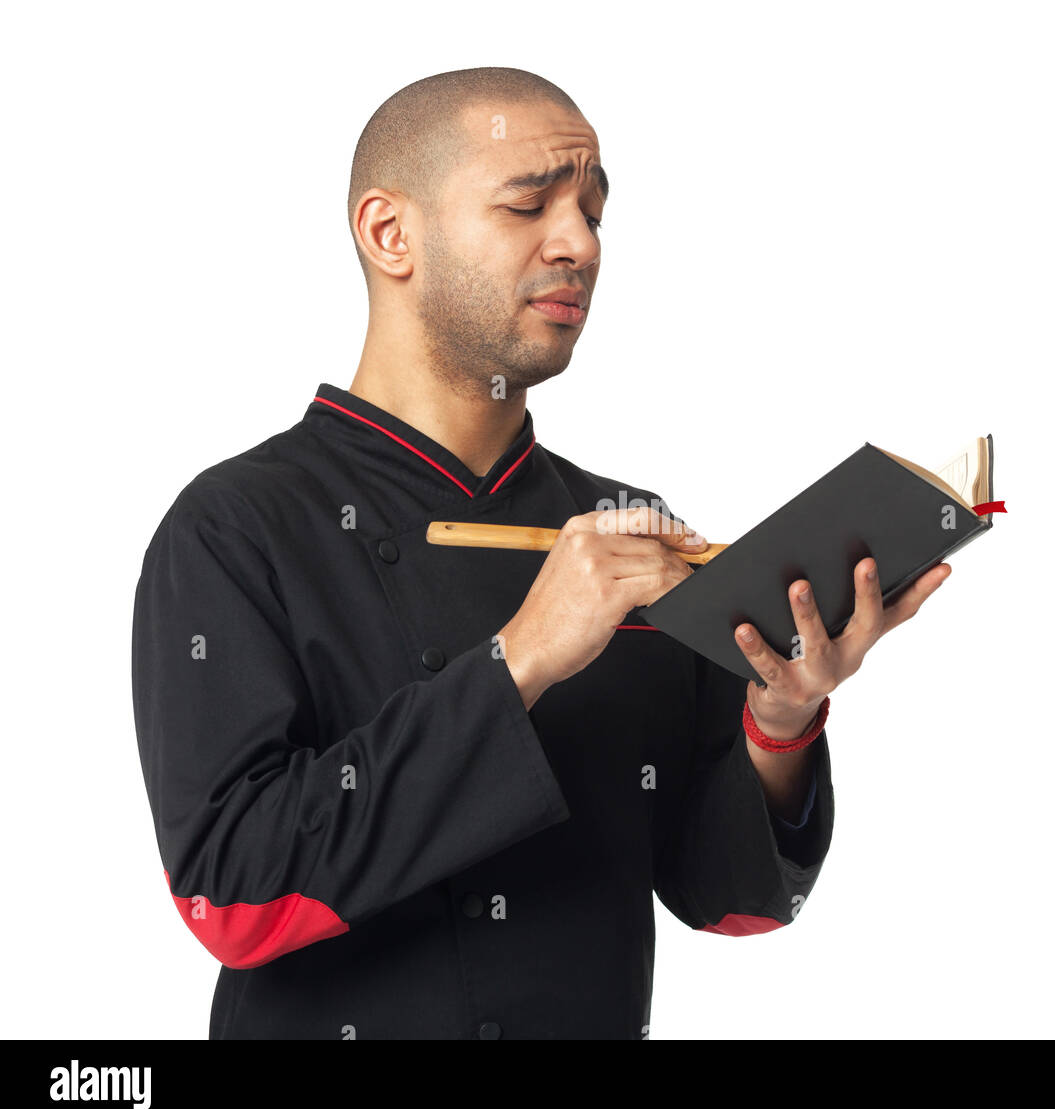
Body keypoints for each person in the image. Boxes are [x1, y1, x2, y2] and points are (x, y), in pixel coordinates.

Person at [131, 66, 951, 1040]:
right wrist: (519, 658)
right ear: (390, 233)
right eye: (528, 206)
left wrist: (780, 717)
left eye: (592, 213)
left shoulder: (629, 526)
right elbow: (233, 896)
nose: (578, 245)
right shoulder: (234, 527)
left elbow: (725, 898)